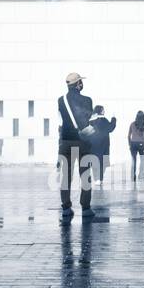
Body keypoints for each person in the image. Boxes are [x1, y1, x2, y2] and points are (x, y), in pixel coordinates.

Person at [58, 72, 96, 218]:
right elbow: (88, 119)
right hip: (82, 142)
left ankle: (66, 208)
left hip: (66, 142)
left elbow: (62, 121)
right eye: (81, 82)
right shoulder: (87, 100)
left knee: (66, 176)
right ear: (78, 84)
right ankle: (85, 208)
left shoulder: (61, 100)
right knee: (85, 175)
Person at [88, 105, 117, 184]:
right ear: (100, 111)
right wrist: (113, 119)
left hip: (93, 144)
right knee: (103, 162)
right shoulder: (103, 120)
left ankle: (97, 179)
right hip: (104, 144)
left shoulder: (91, 121)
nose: (104, 111)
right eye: (103, 110)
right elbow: (111, 128)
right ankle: (99, 179)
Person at [128, 111, 144, 182]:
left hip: (133, 144)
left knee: (134, 160)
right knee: (142, 160)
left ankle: (133, 176)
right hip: (141, 144)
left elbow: (128, 136)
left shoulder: (132, 124)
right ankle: (141, 176)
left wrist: (130, 144)